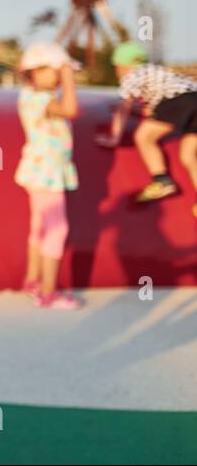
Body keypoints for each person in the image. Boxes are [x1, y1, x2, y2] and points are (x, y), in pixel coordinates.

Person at [14, 43, 82, 309]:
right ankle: (48, 293)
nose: (58, 76)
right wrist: (68, 78)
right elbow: (71, 110)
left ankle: (33, 280)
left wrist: (61, 73)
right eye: (54, 71)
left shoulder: (31, 96)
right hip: (48, 173)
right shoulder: (41, 99)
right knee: (57, 228)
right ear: (35, 72)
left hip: (39, 170)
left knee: (39, 226)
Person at [96, 41, 197, 211]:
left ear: (121, 66)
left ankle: (161, 180)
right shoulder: (156, 72)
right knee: (188, 155)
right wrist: (137, 110)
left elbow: (124, 108)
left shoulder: (132, 76)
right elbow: (153, 112)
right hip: (193, 99)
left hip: (179, 102)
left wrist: (114, 138)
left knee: (144, 136)